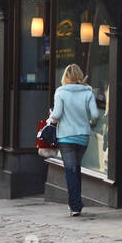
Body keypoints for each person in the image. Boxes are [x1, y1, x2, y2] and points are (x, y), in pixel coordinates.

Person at [50, 65, 100, 217]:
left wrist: (52, 116)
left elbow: (57, 114)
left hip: (66, 137)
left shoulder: (61, 92)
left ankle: (75, 205)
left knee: (71, 171)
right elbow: (96, 114)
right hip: (82, 137)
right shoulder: (87, 92)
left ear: (65, 76)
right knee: (76, 169)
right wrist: (90, 124)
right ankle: (76, 202)